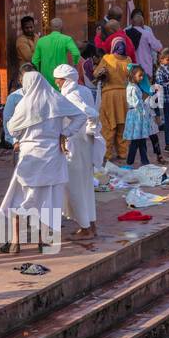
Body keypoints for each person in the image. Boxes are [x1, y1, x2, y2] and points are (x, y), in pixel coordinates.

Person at [0, 71, 84, 253]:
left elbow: (12, 129)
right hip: (52, 155)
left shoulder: (25, 104)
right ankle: (41, 241)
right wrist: (65, 133)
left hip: (30, 155)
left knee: (19, 198)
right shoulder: (56, 99)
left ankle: (15, 242)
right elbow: (81, 116)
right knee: (46, 200)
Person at [53, 62, 102, 238]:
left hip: (74, 144)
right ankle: (90, 224)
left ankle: (85, 227)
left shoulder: (70, 95)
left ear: (65, 80)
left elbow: (89, 113)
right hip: (85, 144)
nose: (57, 84)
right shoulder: (85, 90)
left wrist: (67, 132)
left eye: (58, 81)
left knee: (74, 187)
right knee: (86, 186)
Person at [94, 39, 131, 163]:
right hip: (124, 96)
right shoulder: (128, 60)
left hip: (109, 96)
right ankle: (123, 153)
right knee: (123, 125)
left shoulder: (107, 58)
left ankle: (107, 154)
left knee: (109, 125)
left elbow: (96, 73)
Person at [124, 64, 161, 167]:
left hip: (138, 116)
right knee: (136, 141)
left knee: (141, 140)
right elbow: (137, 104)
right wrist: (144, 111)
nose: (141, 78)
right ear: (132, 75)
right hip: (137, 116)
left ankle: (145, 162)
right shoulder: (132, 88)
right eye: (140, 76)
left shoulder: (134, 87)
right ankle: (130, 162)